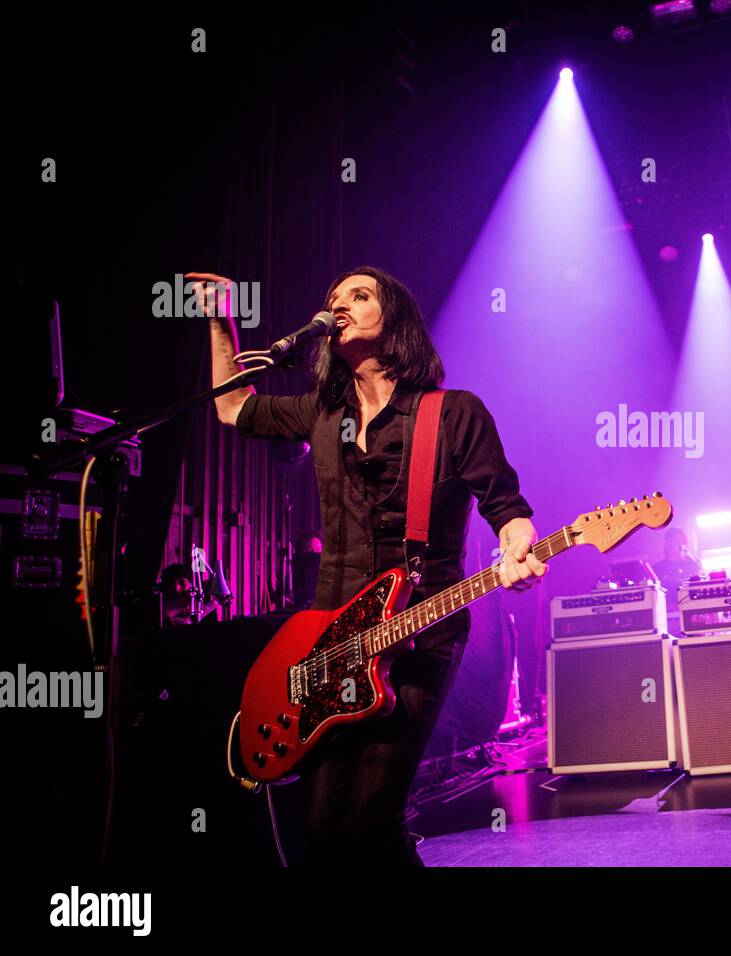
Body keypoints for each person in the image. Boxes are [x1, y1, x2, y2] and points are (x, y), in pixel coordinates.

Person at [194, 266, 546, 864]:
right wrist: (216, 316)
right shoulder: (321, 414)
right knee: (325, 827)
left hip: (419, 631)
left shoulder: (453, 414)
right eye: (333, 299)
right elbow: (232, 408)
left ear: (397, 321)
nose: (341, 306)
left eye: (360, 296)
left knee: (371, 817)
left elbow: (507, 509)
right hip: (325, 640)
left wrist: (518, 548)